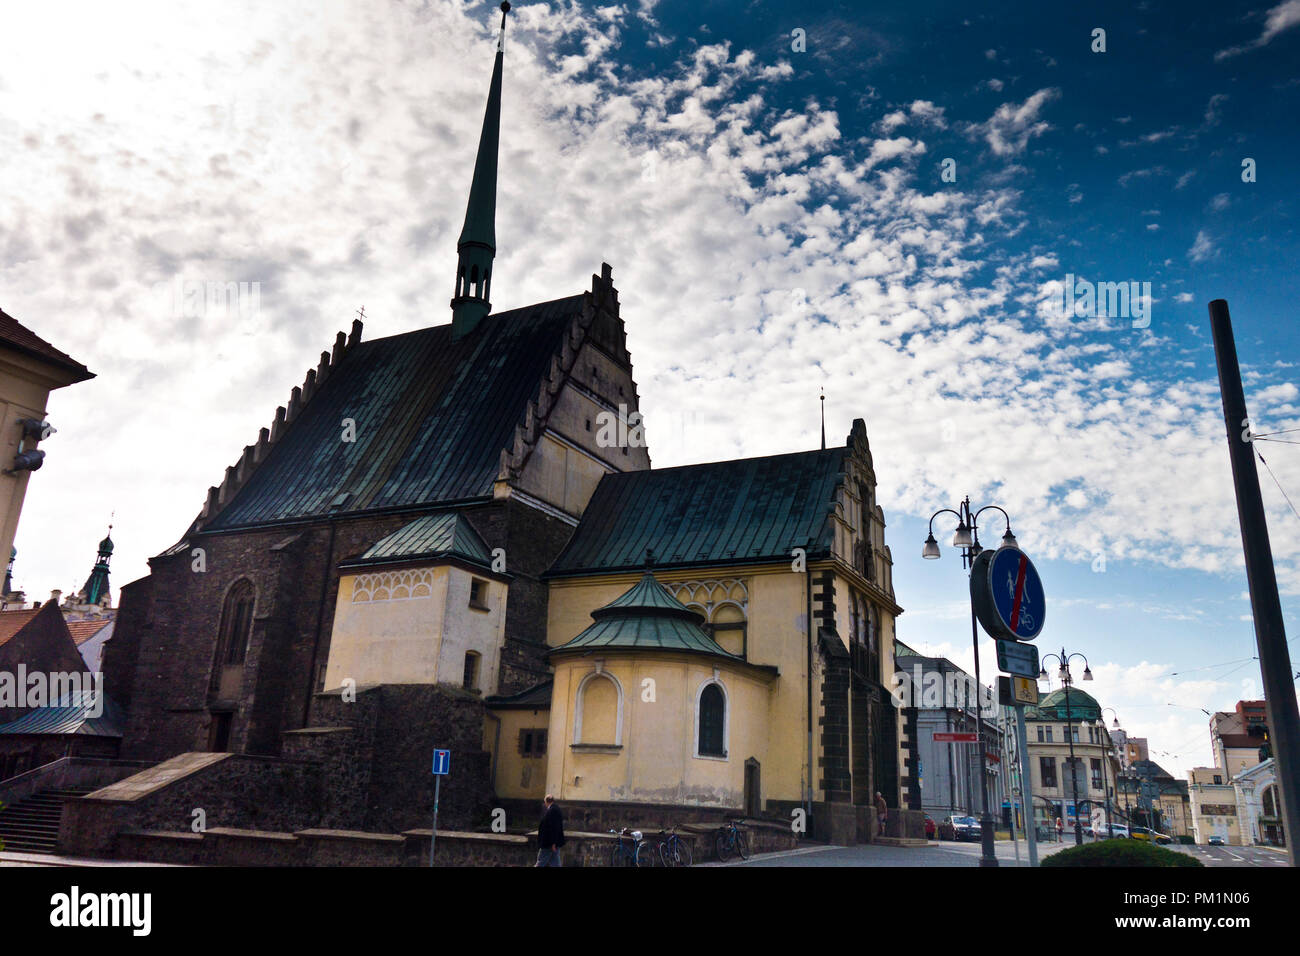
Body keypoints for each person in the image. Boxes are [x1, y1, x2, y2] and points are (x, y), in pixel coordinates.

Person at [536, 794, 565, 867]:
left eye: (545, 802)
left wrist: (553, 843)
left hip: (549, 843)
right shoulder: (555, 809)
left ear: (546, 801)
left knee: (541, 861)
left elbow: (554, 828)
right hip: (552, 842)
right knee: (555, 862)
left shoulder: (553, 810)